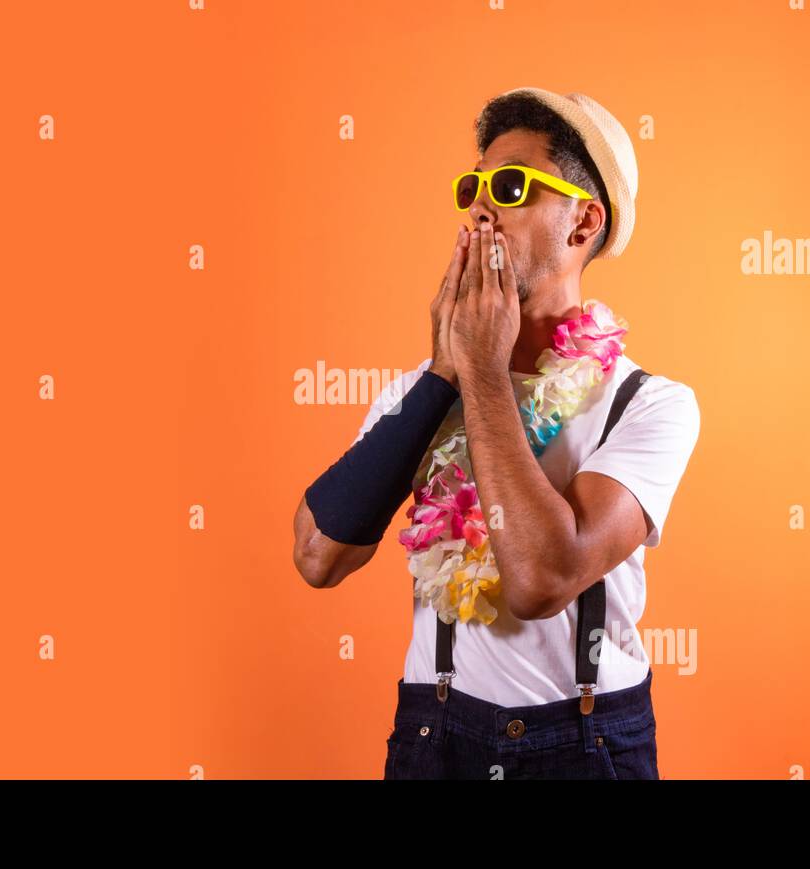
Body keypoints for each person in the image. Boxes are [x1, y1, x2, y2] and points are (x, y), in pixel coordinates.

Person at [292, 87, 700, 780]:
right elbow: (317, 555)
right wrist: (444, 377)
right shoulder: (422, 390)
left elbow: (542, 577)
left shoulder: (649, 403)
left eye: (510, 185)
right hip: (436, 735)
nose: (481, 205)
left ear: (583, 222)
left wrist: (479, 370)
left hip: (585, 744)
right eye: (472, 186)